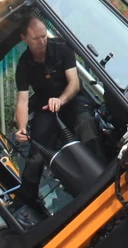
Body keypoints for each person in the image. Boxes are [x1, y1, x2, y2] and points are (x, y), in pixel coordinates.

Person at [12, 13, 97, 213]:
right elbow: (22, 101)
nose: (42, 41)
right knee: (36, 153)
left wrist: (61, 100)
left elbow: (74, 83)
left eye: (44, 36)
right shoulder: (23, 65)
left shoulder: (62, 48)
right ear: (24, 38)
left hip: (72, 99)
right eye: (36, 38)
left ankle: (100, 176)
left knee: (86, 125)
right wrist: (22, 128)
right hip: (46, 109)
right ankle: (26, 200)